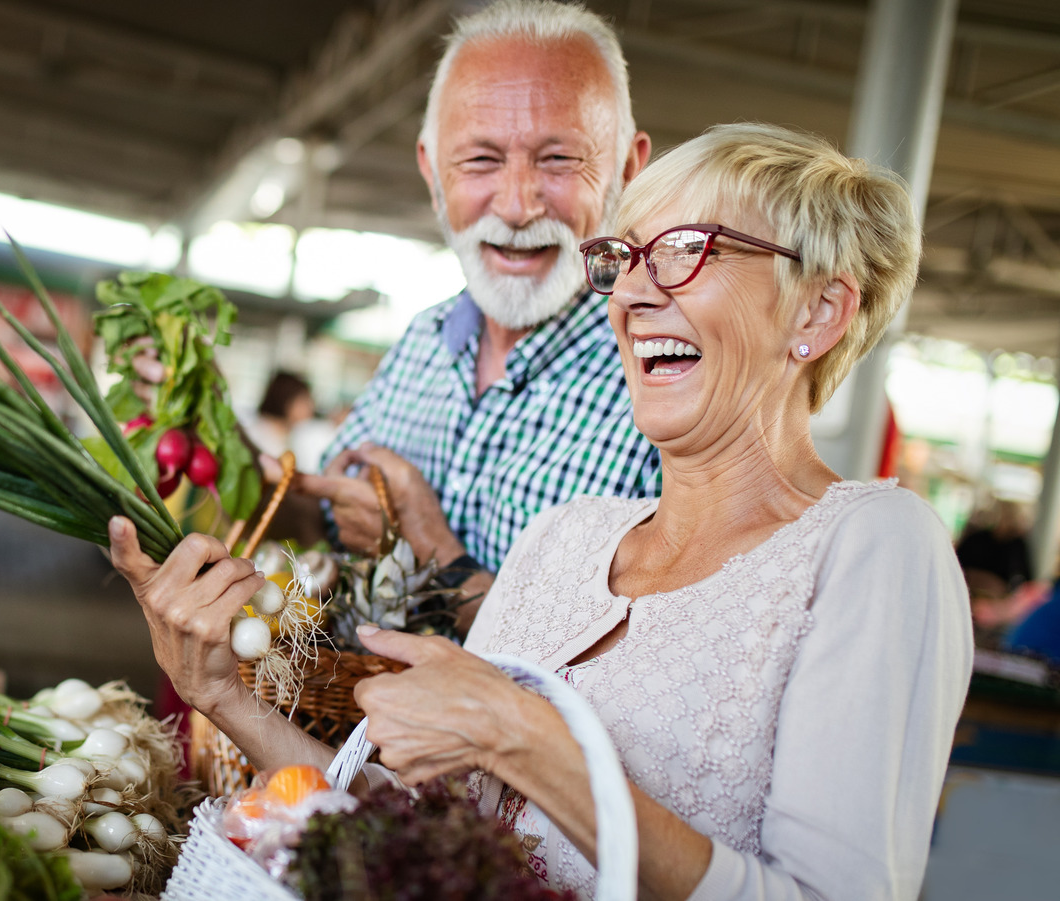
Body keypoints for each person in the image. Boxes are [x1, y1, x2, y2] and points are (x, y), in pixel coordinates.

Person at [108, 122, 972, 900]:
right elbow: (416, 845)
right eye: (624, 259)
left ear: (819, 309)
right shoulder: (566, 537)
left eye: (683, 250)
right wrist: (223, 695)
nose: (631, 295)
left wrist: (522, 736)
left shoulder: (872, 547)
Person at [285, 0, 659, 618]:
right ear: (433, 172)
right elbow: (327, 516)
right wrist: (221, 456)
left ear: (627, 168)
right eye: (481, 160)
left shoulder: (661, 379)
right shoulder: (424, 337)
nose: (516, 205)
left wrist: (429, 547)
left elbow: (636, 669)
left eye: (559, 159)